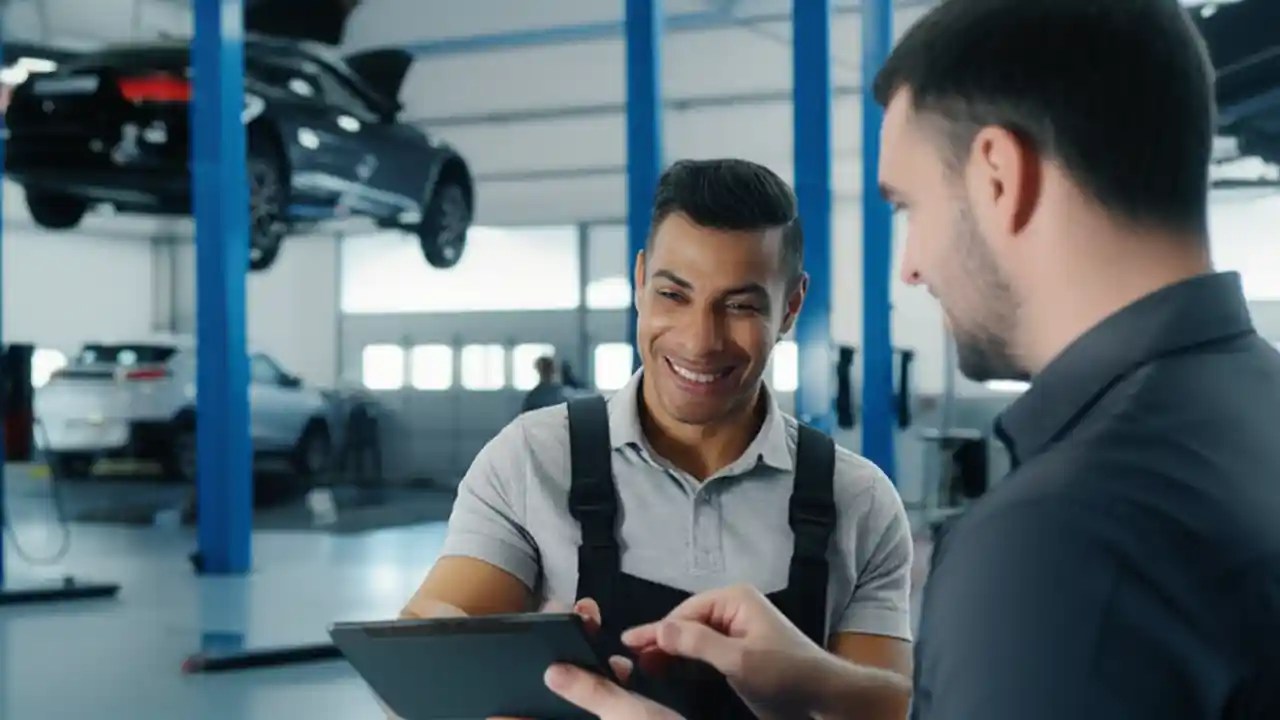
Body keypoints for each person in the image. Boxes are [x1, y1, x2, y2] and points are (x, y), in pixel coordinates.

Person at [541, 0, 1280, 718]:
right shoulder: (1255, 411)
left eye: (909, 207)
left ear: (998, 175)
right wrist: (826, 685)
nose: (911, 266)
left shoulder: (1057, 543)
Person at [400, 158, 915, 718]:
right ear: (641, 280)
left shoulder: (858, 501)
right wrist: (444, 666)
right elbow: (431, 664)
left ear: (790, 307)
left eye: (740, 305)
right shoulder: (532, 461)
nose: (699, 341)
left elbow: (889, 708)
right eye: (673, 294)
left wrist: (813, 679)